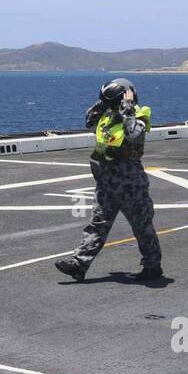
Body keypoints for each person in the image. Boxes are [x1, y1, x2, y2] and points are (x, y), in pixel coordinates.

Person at [55, 79, 163, 282]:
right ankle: (79, 264)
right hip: (106, 184)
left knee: (142, 226)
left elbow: (134, 136)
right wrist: (103, 101)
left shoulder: (137, 117)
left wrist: (127, 109)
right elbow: (89, 120)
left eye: (114, 103)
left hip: (131, 185)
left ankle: (152, 265)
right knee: (97, 224)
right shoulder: (106, 118)